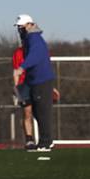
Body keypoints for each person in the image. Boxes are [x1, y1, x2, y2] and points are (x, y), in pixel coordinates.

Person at [14, 14, 57, 150]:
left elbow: (36, 56)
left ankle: (46, 141)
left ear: (30, 25)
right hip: (34, 80)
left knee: (43, 111)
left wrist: (22, 67)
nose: (20, 30)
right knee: (37, 112)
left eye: (22, 27)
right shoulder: (28, 40)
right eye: (19, 27)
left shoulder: (34, 38)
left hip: (41, 80)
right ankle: (45, 140)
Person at [11, 44, 35, 149]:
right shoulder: (18, 53)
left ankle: (45, 138)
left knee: (41, 112)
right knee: (27, 112)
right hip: (23, 85)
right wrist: (16, 89)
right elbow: (16, 71)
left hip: (37, 83)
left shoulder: (37, 51)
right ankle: (29, 139)